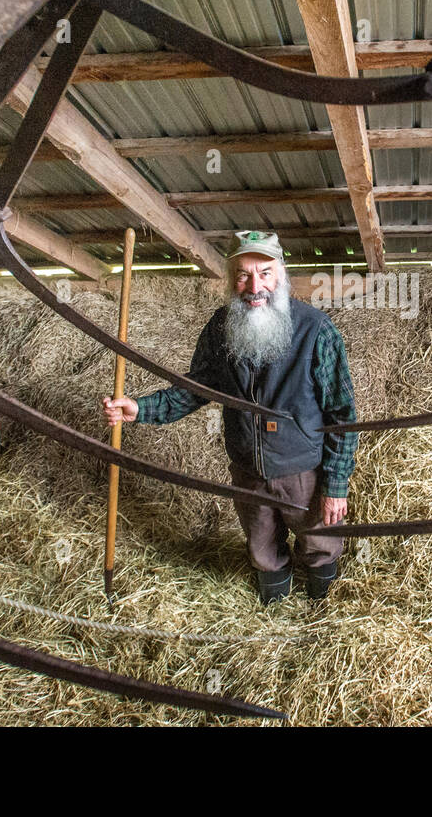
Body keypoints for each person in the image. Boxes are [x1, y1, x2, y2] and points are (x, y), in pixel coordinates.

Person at [101, 230, 358, 604]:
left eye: (265, 273)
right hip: (246, 470)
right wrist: (141, 409)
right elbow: (197, 387)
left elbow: (342, 414)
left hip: (303, 470)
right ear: (232, 279)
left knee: (319, 540)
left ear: (281, 275)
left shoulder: (315, 330)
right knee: (262, 546)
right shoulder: (222, 327)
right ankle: (274, 607)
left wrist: (335, 485)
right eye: (243, 275)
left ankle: (322, 603)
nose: (255, 286)